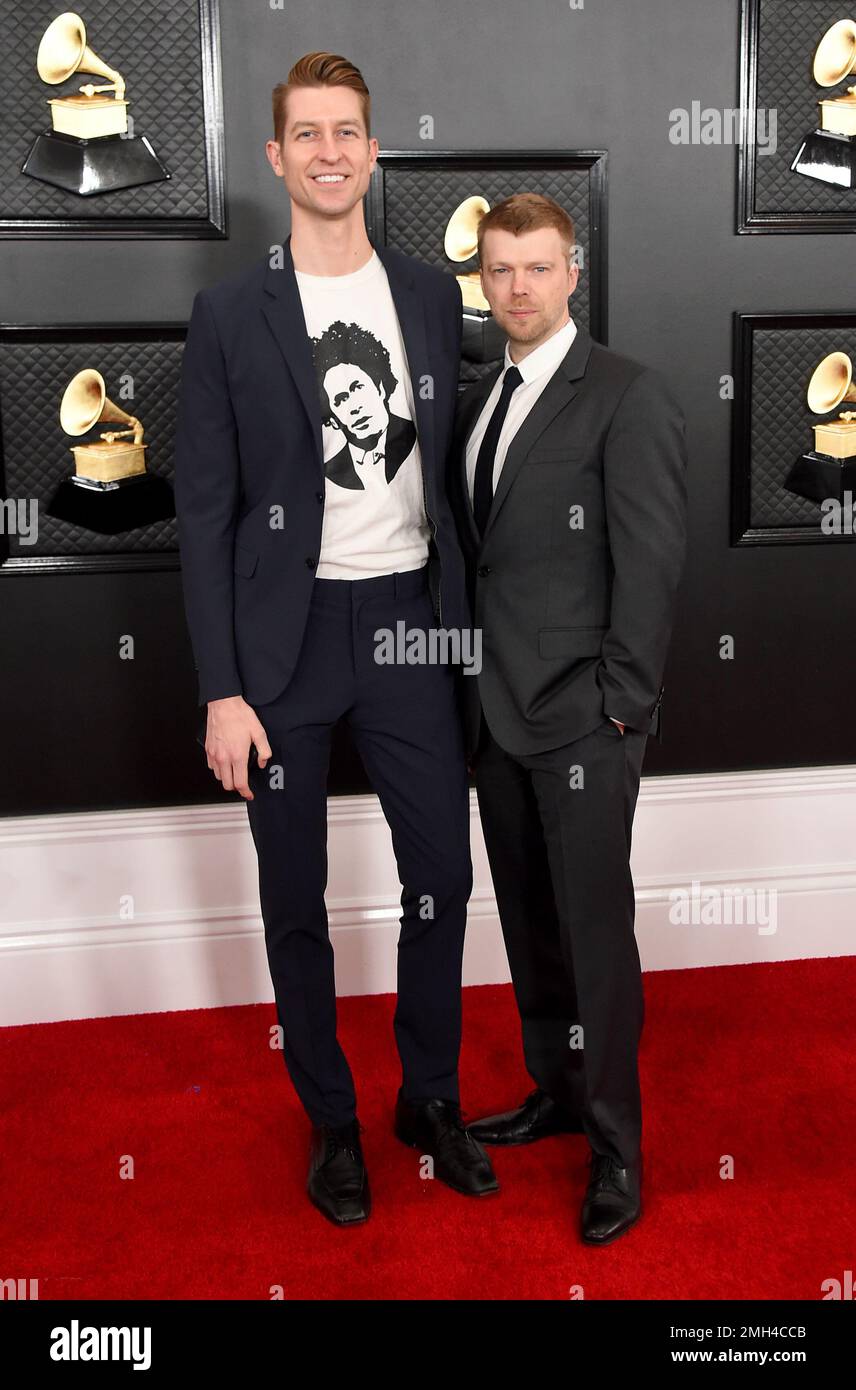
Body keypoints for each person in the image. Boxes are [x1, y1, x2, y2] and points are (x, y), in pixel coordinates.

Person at [174, 51, 497, 1226]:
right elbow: (202, 514)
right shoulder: (227, 314)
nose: (327, 152)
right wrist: (222, 688)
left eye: (346, 132)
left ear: (371, 150)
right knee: (294, 898)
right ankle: (333, 1124)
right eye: (305, 133)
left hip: (410, 621)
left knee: (442, 879)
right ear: (276, 157)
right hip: (283, 646)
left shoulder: (423, 293)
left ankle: (429, 1099)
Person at [449, 193, 688, 1244]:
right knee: (531, 929)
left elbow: (651, 567)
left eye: (536, 269)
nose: (516, 289)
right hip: (492, 719)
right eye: (499, 270)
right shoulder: (474, 399)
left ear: (572, 272)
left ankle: (616, 1150)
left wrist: (620, 713)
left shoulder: (626, 397)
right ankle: (554, 1088)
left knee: (595, 941)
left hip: (586, 724)